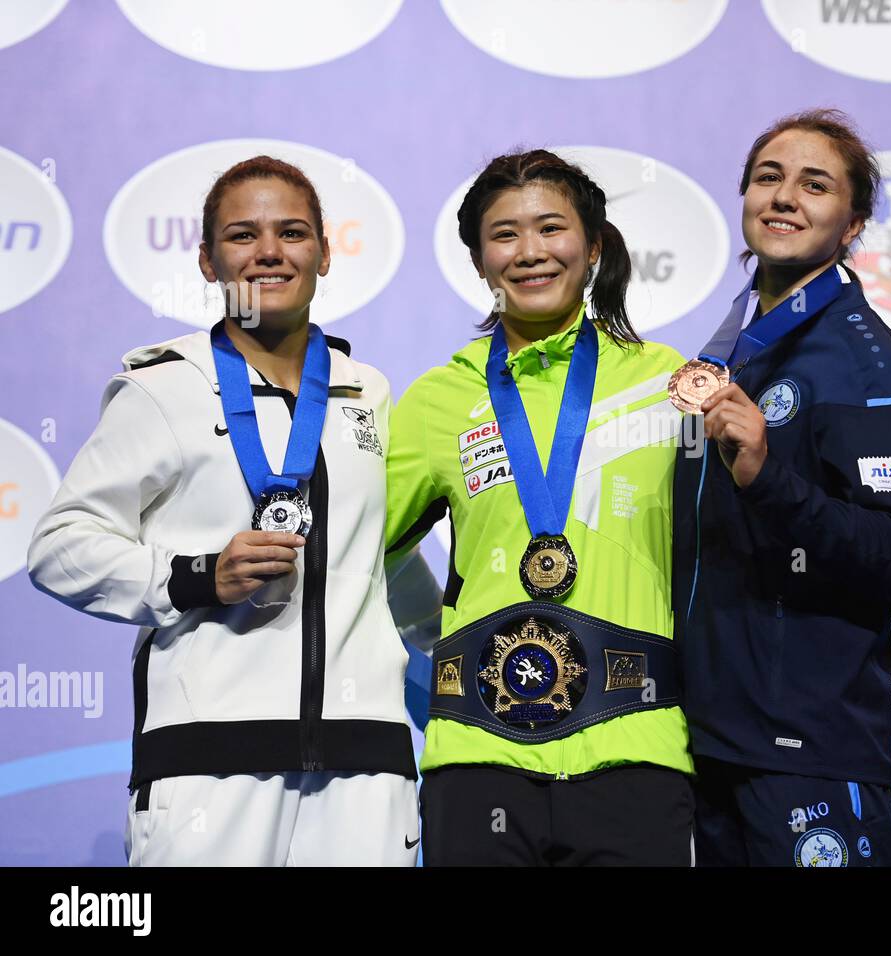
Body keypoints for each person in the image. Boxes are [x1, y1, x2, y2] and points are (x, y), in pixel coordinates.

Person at [27, 156, 419, 866]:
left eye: (293, 232)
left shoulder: (369, 391)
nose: (269, 251)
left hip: (364, 764)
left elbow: (382, 552)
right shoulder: (163, 390)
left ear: (326, 252)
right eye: (243, 235)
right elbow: (60, 547)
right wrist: (196, 575)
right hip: (208, 761)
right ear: (207, 261)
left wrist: (459, 640)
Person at [385, 149, 694, 866]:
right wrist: (434, 640)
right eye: (504, 235)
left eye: (551, 228)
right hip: (477, 759)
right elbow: (360, 551)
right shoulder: (438, 399)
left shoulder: (669, 386)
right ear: (479, 260)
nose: (530, 252)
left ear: (592, 248)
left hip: (637, 753)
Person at [672, 109, 891, 867]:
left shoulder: (868, 365)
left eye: (814, 186)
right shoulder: (726, 351)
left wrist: (767, 479)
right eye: (768, 178)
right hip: (711, 743)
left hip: (809, 751)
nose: (785, 197)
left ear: (852, 224)